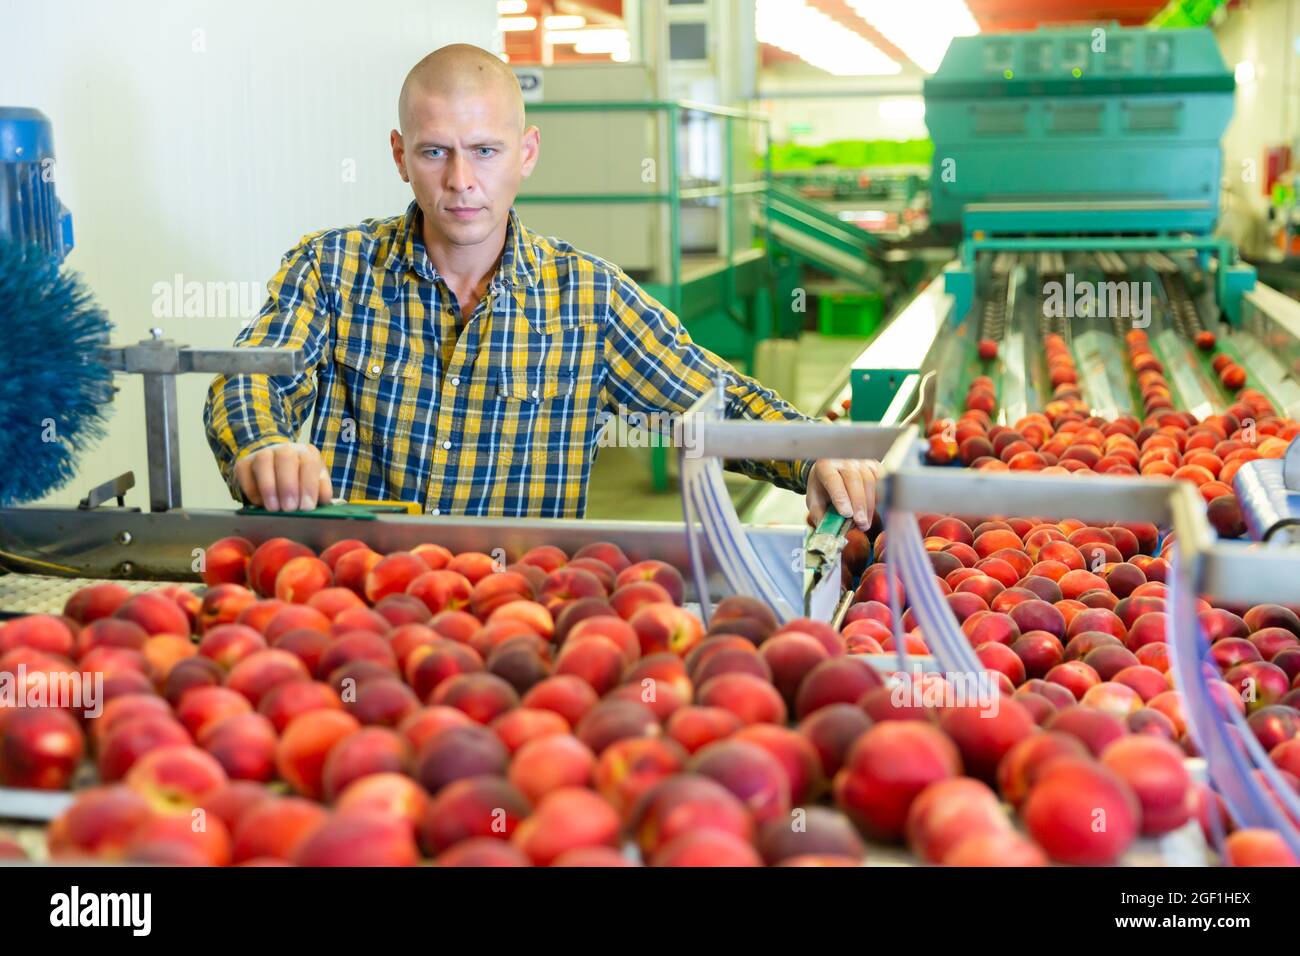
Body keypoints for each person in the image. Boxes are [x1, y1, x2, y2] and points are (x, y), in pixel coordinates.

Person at [204, 44, 879, 528]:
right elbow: (250, 378)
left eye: (485, 151)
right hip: (357, 601)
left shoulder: (588, 301)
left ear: (525, 154)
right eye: (435, 151)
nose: (461, 180)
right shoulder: (332, 270)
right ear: (399, 156)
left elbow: (716, 403)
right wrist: (262, 445)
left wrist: (817, 454)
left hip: (518, 622)